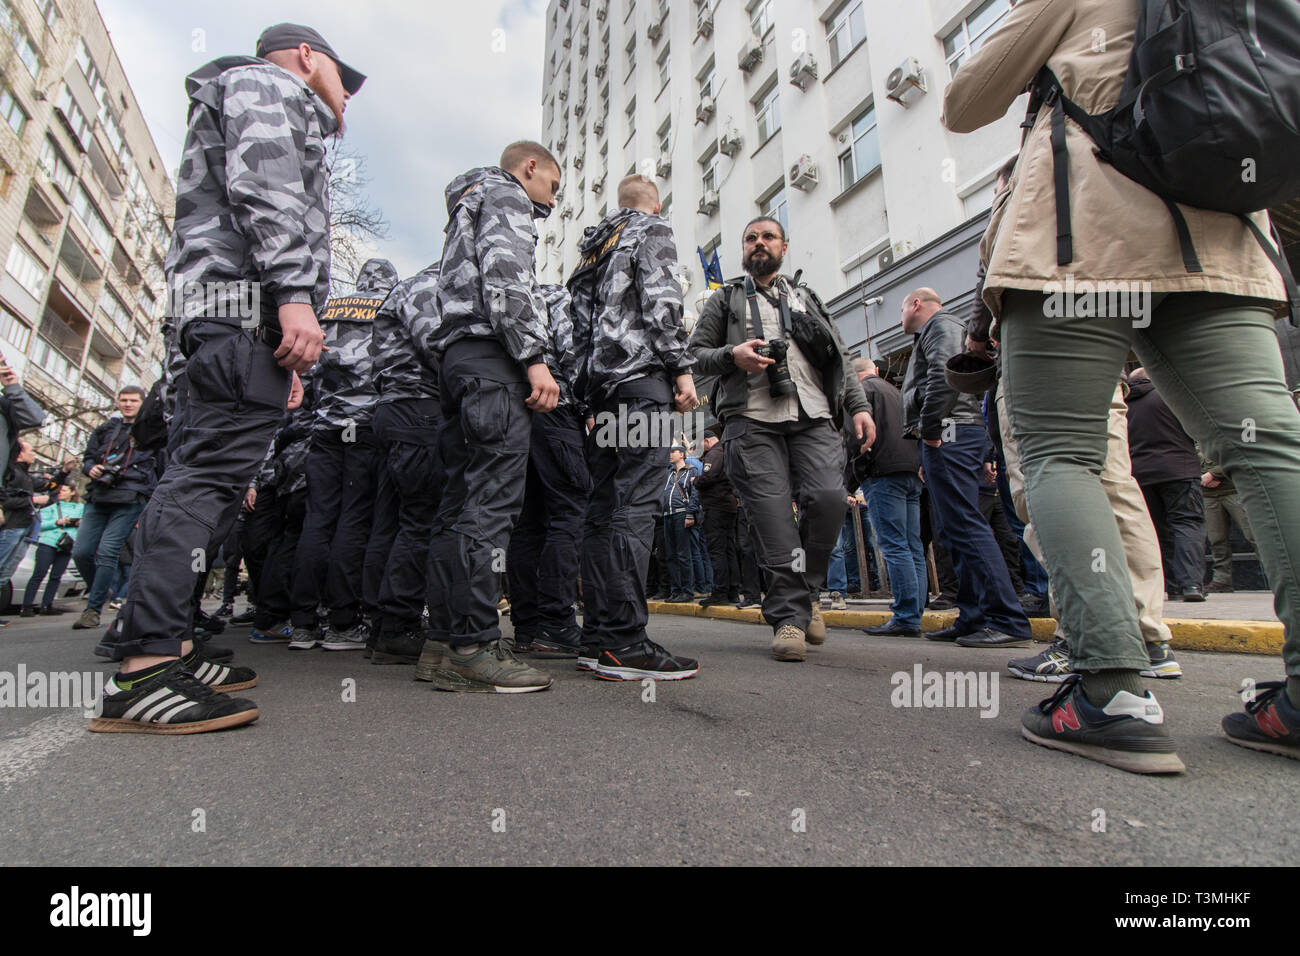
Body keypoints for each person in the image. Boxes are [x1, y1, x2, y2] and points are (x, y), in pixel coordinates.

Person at [944, 0, 1300, 772]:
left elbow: (964, 101)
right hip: (1223, 242)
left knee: (1063, 455)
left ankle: (1111, 692)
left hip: (1083, 247)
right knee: (1268, 450)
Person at [92, 23, 364, 734]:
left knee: (200, 479)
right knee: (206, 483)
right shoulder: (271, 85)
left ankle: (166, 643)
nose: (346, 97)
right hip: (245, 309)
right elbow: (269, 191)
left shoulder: (235, 90)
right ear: (308, 57)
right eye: (343, 78)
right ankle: (145, 669)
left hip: (232, 316)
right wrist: (295, 298)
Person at [689, 216, 875, 662]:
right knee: (773, 521)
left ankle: (805, 594)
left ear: (784, 247)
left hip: (813, 415)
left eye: (767, 236)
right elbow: (693, 356)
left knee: (829, 499)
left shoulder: (807, 298)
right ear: (743, 249)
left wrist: (859, 406)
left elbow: (839, 357)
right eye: (750, 237)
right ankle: (789, 619)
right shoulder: (726, 300)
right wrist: (731, 355)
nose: (759, 243)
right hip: (751, 420)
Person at [422, 141, 561, 694]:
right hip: (494, 358)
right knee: (491, 506)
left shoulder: (466, 203)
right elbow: (507, 279)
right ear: (531, 167)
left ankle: (444, 640)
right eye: (551, 187)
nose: (550, 204)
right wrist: (534, 359)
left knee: (456, 507)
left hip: (459, 361)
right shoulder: (506, 194)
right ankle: (474, 646)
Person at [567, 175, 700, 679]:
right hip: (643, 386)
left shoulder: (593, 249)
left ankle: (599, 634)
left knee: (603, 509)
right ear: (657, 203)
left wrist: (586, 392)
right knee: (634, 505)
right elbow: (663, 302)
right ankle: (624, 641)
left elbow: (576, 327)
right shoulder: (652, 229)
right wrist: (681, 367)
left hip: (602, 393)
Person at [900, 288, 1032, 648]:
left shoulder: (940, 325)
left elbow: (944, 377)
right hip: (951, 432)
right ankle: (973, 616)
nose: (902, 317)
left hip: (949, 431)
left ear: (915, 304)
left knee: (965, 524)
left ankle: (1007, 618)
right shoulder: (936, 331)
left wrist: (929, 430)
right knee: (955, 528)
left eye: (903, 308)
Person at [289, 257, 399, 651]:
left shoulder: (329, 310)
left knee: (317, 521)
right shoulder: (391, 308)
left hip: (324, 428)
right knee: (355, 521)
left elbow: (306, 373)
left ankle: (302, 621)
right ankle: (342, 621)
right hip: (366, 428)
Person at [364, 264, 444, 667]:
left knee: (394, 523)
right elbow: (439, 345)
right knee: (421, 521)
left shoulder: (412, 285)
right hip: (418, 409)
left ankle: (384, 625)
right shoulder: (431, 284)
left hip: (398, 410)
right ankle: (397, 626)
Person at [506, 284, 591, 658]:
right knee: (569, 512)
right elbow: (571, 352)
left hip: (514, 409)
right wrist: (588, 406)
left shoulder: (507, 295)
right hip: (555, 404)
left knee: (527, 523)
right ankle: (556, 622)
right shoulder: (555, 296)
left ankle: (527, 626)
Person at [70, 387, 159, 631]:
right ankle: (103, 589)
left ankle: (92, 609)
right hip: (99, 495)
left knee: (108, 551)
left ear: (142, 403)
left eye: (133, 400)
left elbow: (159, 464)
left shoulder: (151, 431)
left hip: (130, 498)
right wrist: (91, 469)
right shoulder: (105, 429)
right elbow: (88, 458)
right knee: (81, 552)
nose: (128, 404)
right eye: (123, 400)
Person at [856, 358, 927, 638]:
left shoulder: (863, 393)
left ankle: (907, 615)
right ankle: (915, 611)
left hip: (883, 472)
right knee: (912, 546)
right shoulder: (896, 391)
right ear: (874, 371)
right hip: (911, 471)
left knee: (895, 545)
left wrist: (853, 477)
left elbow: (858, 438)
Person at [1126, 367, 1208, 602]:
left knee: (1158, 531)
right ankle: (1191, 584)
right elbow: (1196, 429)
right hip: (1178, 470)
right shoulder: (1169, 396)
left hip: (1141, 475)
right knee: (1187, 523)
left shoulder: (1125, 404)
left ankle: (1171, 584)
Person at [695, 424, 742, 607]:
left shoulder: (714, 454)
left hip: (716, 507)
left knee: (717, 550)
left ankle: (720, 591)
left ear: (707, 441)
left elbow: (708, 476)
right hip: (727, 507)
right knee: (729, 549)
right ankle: (733, 591)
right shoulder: (726, 452)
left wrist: (695, 480)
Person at [1199, 444, 1255, 593]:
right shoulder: (1192, 435)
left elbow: (1238, 453)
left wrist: (1215, 474)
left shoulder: (1219, 431)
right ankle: (1222, 580)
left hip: (1234, 491)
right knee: (1216, 540)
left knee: (1253, 535)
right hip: (1208, 495)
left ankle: (1278, 577)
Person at [22, 483, 82, 616]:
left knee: (56, 576)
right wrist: (57, 522)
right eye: (60, 490)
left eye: (64, 490)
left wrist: (79, 522)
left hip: (67, 544)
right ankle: (26, 606)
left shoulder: (80, 508)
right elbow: (41, 525)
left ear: (72, 493)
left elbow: (85, 523)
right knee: (39, 574)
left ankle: (47, 605)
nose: (61, 493)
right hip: (48, 542)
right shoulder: (50, 507)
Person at [661, 444, 701, 603]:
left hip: (681, 513)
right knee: (670, 555)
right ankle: (675, 590)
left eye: (673, 452)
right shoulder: (668, 473)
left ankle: (687, 591)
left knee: (684, 555)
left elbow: (695, 494)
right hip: (667, 515)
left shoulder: (692, 471)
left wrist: (690, 513)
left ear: (682, 454)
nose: (670, 455)